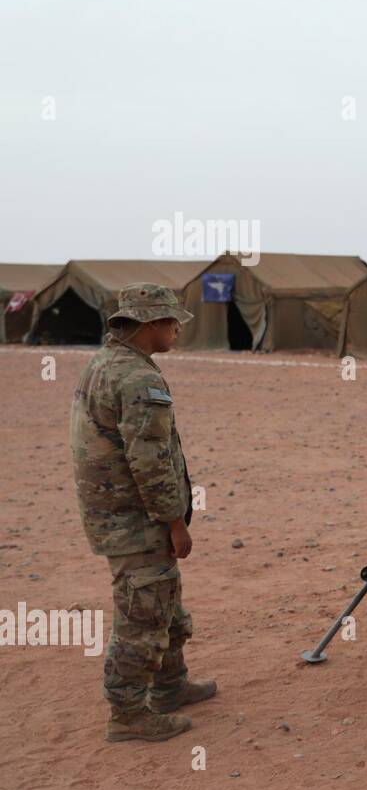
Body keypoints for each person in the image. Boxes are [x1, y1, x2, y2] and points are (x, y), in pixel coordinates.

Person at [70, 283, 216, 742]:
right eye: (172, 321)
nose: (177, 329)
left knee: (162, 602)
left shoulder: (105, 364)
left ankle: (170, 686)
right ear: (150, 323)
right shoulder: (137, 378)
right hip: (137, 519)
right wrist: (175, 522)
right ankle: (128, 714)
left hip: (117, 513)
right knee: (142, 615)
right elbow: (148, 460)